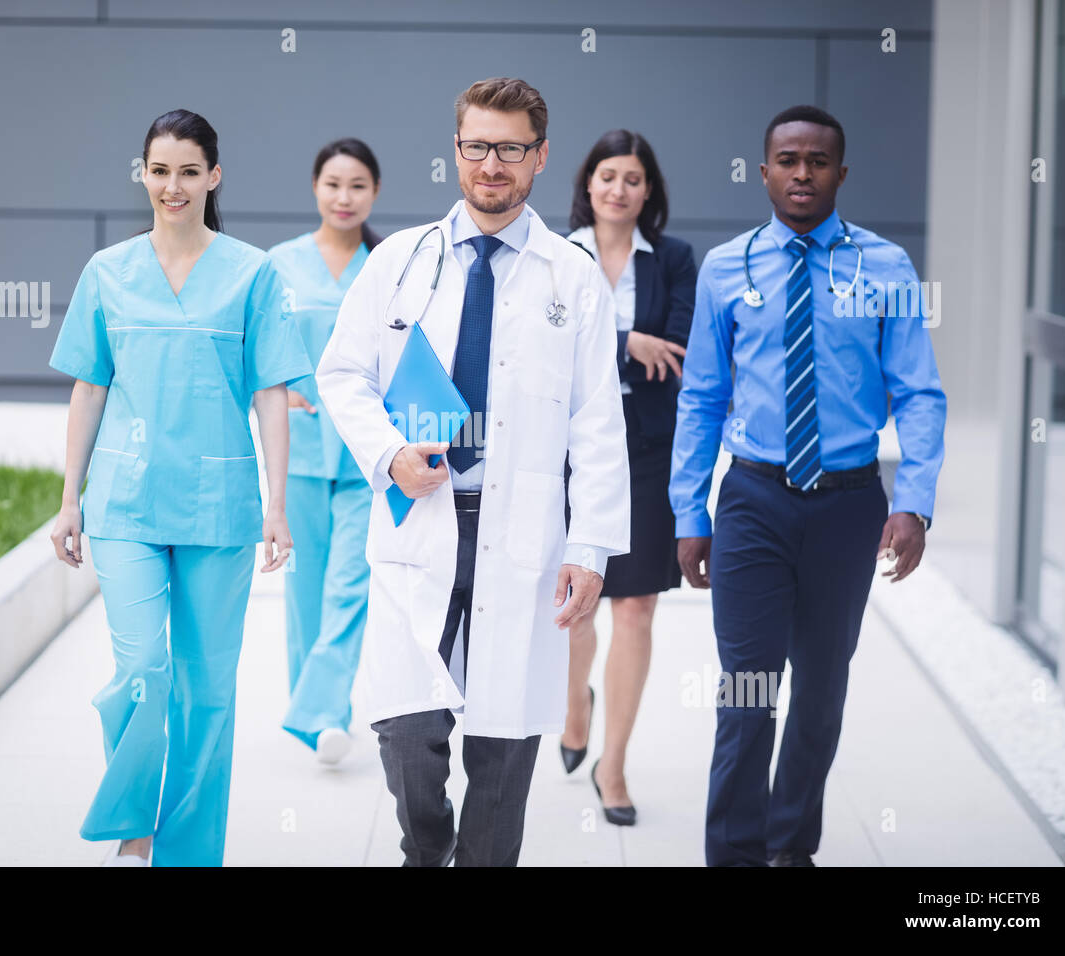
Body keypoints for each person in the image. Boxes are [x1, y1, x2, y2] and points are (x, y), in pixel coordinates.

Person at [316, 76, 630, 867]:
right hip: (422, 519)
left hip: (521, 532)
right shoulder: (399, 261)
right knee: (406, 730)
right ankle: (426, 851)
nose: (493, 164)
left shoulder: (571, 277)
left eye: (511, 149)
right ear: (456, 149)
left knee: (503, 747)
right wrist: (388, 453)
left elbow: (598, 421)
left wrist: (590, 547)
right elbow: (342, 374)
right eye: (478, 146)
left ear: (540, 157)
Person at [670, 104, 946, 867]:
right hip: (753, 501)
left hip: (848, 506)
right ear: (764, 172)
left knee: (821, 693)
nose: (802, 174)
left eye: (817, 162)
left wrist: (914, 501)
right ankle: (734, 854)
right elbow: (701, 398)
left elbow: (919, 393)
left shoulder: (886, 268)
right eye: (788, 161)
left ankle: (791, 847)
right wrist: (689, 511)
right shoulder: (726, 268)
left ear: (840, 173)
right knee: (748, 693)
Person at [47, 109, 311, 867]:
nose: (173, 186)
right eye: (160, 170)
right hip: (124, 504)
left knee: (208, 691)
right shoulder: (108, 272)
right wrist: (69, 499)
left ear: (213, 177)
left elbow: (270, 393)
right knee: (142, 671)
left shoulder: (252, 273)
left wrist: (277, 505)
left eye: (189, 171)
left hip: (218, 507)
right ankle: (134, 829)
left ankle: (189, 855)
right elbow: (89, 387)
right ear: (144, 174)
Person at [560, 130, 696, 826]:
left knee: (635, 607)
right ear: (588, 183)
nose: (619, 189)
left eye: (633, 179)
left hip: (646, 450)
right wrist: (624, 343)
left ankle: (612, 765)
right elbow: (544, 348)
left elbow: (674, 351)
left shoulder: (673, 260)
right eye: (608, 175)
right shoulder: (555, 255)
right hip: (565, 450)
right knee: (575, 603)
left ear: (649, 192)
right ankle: (573, 701)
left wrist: (613, 347)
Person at [267, 138, 382, 765]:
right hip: (302, 449)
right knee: (305, 591)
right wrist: (274, 393)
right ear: (315, 187)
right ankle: (324, 720)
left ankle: (320, 710)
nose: (345, 197)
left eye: (357, 185)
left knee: (350, 588)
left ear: (375, 193)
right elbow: (253, 348)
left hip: (365, 451)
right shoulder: (279, 264)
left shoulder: (386, 265)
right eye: (334, 184)